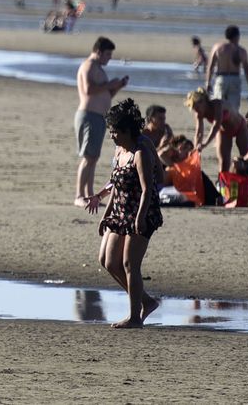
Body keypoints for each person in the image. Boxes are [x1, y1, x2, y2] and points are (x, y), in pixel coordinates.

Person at [84, 98, 163, 328]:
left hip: (141, 212)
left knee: (130, 264)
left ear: (128, 131)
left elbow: (148, 188)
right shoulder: (120, 151)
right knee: (107, 261)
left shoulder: (141, 152)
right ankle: (146, 302)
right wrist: (104, 214)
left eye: (115, 131)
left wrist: (139, 217)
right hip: (120, 210)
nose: (112, 136)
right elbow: (116, 184)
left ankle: (135, 317)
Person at [74, 37, 129, 207]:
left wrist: (117, 86)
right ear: (98, 51)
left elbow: (104, 96)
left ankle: (90, 195)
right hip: (89, 114)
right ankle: (79, 195)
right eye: (107, 54)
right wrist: (109, 85)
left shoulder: (98, 68)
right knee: (88, 156)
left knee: (94, 157)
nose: (109, 58)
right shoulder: (89, 66)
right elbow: (88, 90)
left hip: (98, 116)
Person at [185, 87, 248, 175]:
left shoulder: (217, 104)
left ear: (204, 102)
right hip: (224, 132)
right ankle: (223, 186)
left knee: (246, 159)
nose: (196, 110)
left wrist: (205, 143)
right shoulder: (199, 114)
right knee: (223, 164)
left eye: (196, 107)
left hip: (240, 127)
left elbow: (216, 125)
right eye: (193, 108)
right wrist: (196, 149)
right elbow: (199, 133)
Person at [204, 25, 248, 114]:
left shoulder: (217, 48)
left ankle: (220, 126)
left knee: (218, 107)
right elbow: (247, 70)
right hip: (235, 79)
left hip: (221, 78)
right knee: (233, 109)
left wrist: (208, 82)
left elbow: (210, 67)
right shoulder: (241, 51)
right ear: (237, 36)